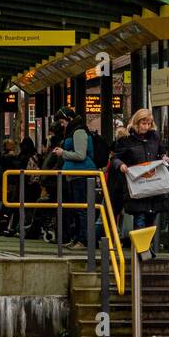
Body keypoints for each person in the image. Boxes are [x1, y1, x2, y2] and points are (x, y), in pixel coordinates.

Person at [114, 109, 169, 256]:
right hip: (137, 183)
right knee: (140, 216)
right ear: (137, 122)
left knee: (151, 217)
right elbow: (116, 157)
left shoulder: (155, 137)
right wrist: (121, 165)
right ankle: (141, 250)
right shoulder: (126, 139)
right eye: (143, 123)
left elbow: (162, 151)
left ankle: (145, 246)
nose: (145, 126)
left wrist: (164, 157)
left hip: (153, 183)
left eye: (148, 123)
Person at [54, 107, 97, 249]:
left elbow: (80, 155)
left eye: (62, 121)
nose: (61, 125)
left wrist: (62, 153)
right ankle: (79, 238)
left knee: (82, 208)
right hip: (76, 174)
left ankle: (84, 240)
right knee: (78, 208)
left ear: (69, 119)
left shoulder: (78, 132)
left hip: (81, 174)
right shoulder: (75, 130)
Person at [0, 138, 20, 236]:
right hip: (11, 184)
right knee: (8, 206)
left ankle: (2, 226)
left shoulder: (0, 157)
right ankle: (4, 227)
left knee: (6, 206)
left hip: (6, 184)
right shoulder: (10, 158)